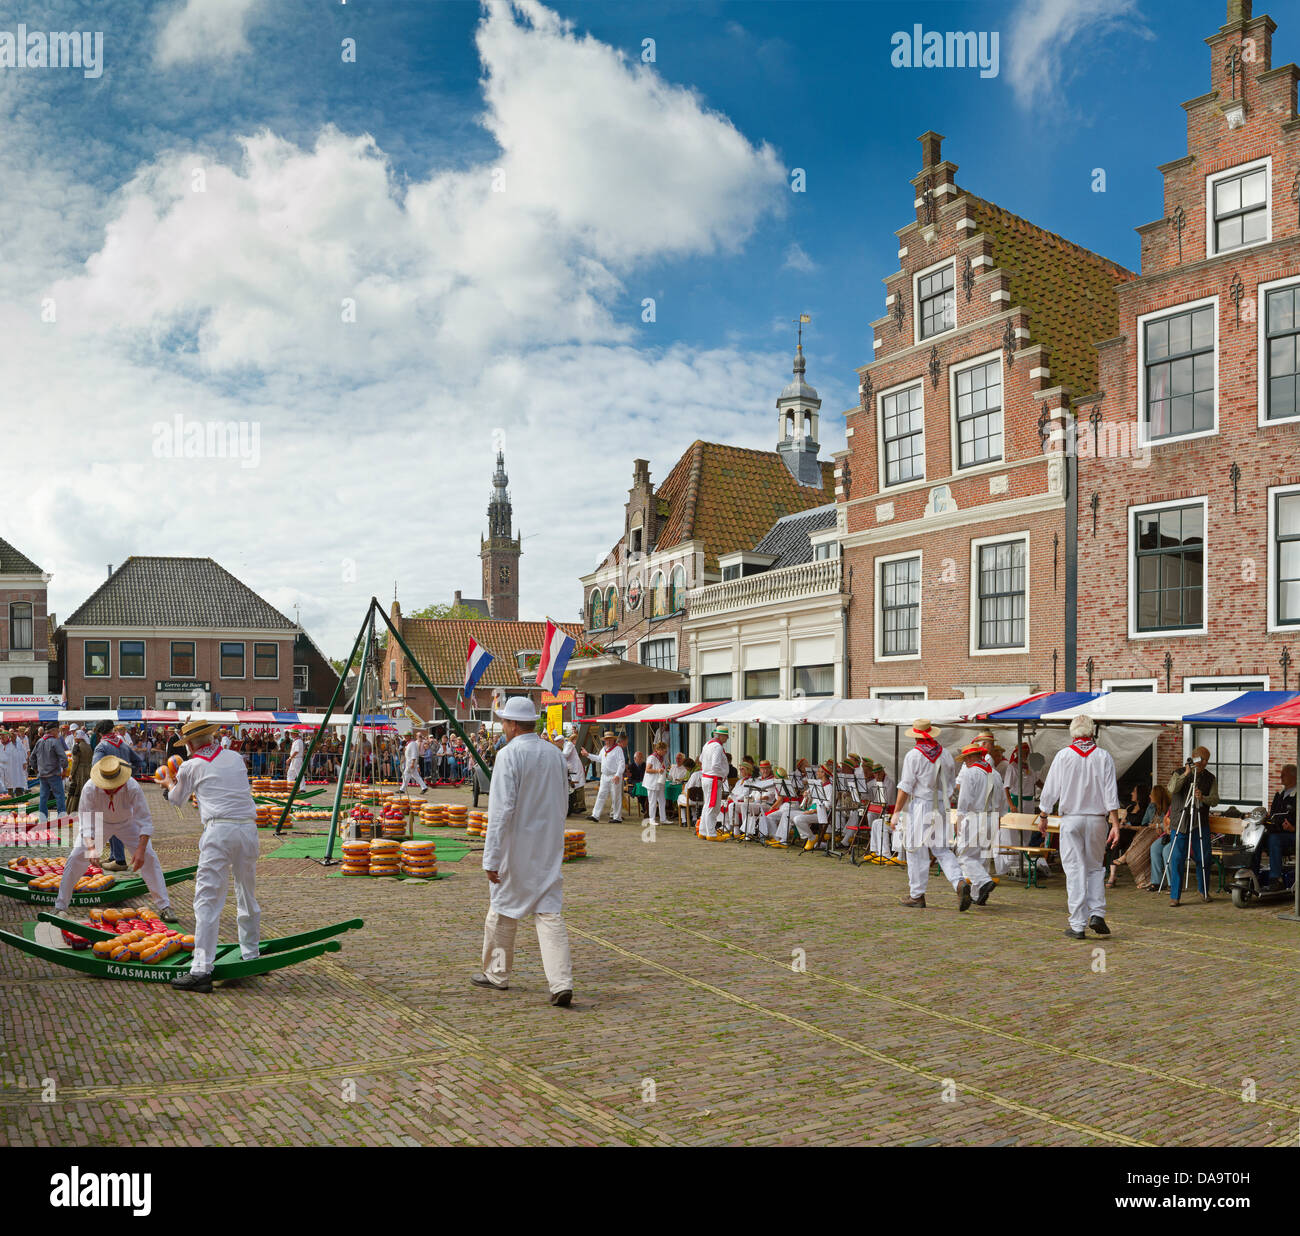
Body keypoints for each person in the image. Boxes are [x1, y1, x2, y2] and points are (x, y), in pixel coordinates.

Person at [471, 696, 573, 1007]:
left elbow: (501, 810)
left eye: (503, 722)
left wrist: (491, 857)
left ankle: (498, 974)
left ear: (514, 724)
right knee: (549, 913)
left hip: (516, 848)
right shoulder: (555, 755)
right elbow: (564, 802)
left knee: (502, 913)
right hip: (547, 845)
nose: (502, 727)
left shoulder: (509, 755)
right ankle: (561, 981)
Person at [161, 718, 261, 993]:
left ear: (190, 744)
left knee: (207, 900)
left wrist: (169, 782)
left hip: (219, 830)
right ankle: (252, 954)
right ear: (212, 737)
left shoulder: (191, 765)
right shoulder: (235, 757)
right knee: (246, 894)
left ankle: (201, 969)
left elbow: (177, 800)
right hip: (248, 829)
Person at [53, 755, 177, 921]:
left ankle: (165, 906)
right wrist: (91, 848)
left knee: (149, 857)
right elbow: (85, 823)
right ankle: (60, 906)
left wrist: (140, 850)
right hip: (99, 823)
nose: (110, 789)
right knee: (76, 857)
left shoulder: (132, 786)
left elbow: (144, 820)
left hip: (128, 822)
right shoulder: (89, 788)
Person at [1036, 715, 1121, 938]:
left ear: (1073, 733)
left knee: (1075, 870)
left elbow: (1051, 789)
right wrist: (1115, 824)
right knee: (1094, 867)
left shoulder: (1064, 756)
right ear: (1092, 732)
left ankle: (1077, 924)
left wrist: (1043, 814)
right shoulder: (1103, 756)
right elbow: (1111, 794)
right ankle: (1097, 913)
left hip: (1071, 818)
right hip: (1096, 819)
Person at [893, 720, 963, 909]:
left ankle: (917, 895)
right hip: (941, 805)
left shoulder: (914, 755)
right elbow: (950, 785)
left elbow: (905, 787)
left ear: (916, 735)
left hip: (922, 805)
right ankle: (959, 882)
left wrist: (896, 811)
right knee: (942, 850)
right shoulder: (946, 754)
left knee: (915, 849)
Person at [951, 741, 1005, 907]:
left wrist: (959, 821)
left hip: (975, 817)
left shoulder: (970, 772)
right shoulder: (994, 773)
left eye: (966, 759)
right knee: (982, 856)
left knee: (964, 855)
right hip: (992, 817)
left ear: (972, 757)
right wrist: (999, 819)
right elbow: (1002, 800)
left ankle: (983, 881)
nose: (965, 762)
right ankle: (977, 894)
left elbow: (964, 800)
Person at [1165, 747, 1217, 905]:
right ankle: (1175, 896)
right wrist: (1186, 774)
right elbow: (1172, 789)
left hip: (1199, 822)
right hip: (1179, 821)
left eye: (1207, 760)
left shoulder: (1210, 778)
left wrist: (1203, 798)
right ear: (1194, 758)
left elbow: (1214, 800)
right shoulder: (1179, 772)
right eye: (1202, 759)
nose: (1205, 763)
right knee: (1178, 858)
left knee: (1203, 857)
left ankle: (1204, 891)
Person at [1114, 784, 1169, 891]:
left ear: (1157, 796)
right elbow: (1145, 823)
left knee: (1139, 848)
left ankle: (1127, 856)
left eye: (1152, 794)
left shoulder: (1167, 808)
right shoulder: (1151, 807)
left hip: (1163, 833)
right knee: (1141, 841)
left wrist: (1158, 826)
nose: (1150, 796)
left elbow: (1169, 823)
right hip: (1149, 832)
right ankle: (1144, 879)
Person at [1251, 763, 1296, 890]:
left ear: (1294, 776)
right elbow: (1274, 815)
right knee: (1257, 837)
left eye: (1284, 774)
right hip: (1277, 832)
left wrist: (1293, 828)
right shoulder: (1279, 795)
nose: (1281, 776)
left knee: (1274, 839)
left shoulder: (1297, 796)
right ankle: (1252, 874)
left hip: (1293, 834)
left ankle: (1276, 879)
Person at [581, 731, 625, 823]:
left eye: (609, 740)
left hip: (614, 776)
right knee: (601, 794)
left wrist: (617, 775)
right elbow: (599, 758)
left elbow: (621, 764)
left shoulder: (618, 749)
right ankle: (595, 815)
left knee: (616, 797)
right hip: (604, 776)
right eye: (606, 740)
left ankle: (617, 817)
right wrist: (588, 755)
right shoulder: (604, 749)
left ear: (613, 740)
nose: (607, 741)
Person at [29, 723, 68, 826]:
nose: (58, 733)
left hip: (42, 775)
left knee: (43, 798)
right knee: (60, 796)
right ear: (53, 731)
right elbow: (63, 757)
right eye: (57, 731)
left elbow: (32, 758)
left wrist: (36, 769)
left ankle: (43, 820)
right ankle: (62, 820)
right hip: (53, 774)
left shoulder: (39, 741)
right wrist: (65, 769)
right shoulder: (54, 742)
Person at [697, 727, 731, 840]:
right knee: (713, 806)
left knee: (707, 805)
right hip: (713, 778)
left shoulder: (708, 744)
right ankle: (711, 833)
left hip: (707, 777)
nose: (727, 738)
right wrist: (723, 774)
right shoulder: (717, 747)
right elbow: (715, 765)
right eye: (725, 736)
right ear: (720, 736)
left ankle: (703, 831)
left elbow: (701, 759)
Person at [65, 727, 94, 812]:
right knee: (86, 789)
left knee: (76, 789)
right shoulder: (88, 746)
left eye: (75, 736)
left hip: (79, 771)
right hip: (88, 770)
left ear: (79, 737)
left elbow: (75, 762)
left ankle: (74, 809)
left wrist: (71, 774)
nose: (74, 737)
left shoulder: (77, 747)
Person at [643, 741, 668, 827]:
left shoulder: (662, 758)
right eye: (664, 750)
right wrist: (658, 771)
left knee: (662, 800)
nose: (665, 752)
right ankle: (652, 819)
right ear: (659, 750)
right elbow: (647, 770)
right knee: (652, 801)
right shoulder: (652, 758)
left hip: (659, 782)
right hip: (652, 782)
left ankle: (663, 819)